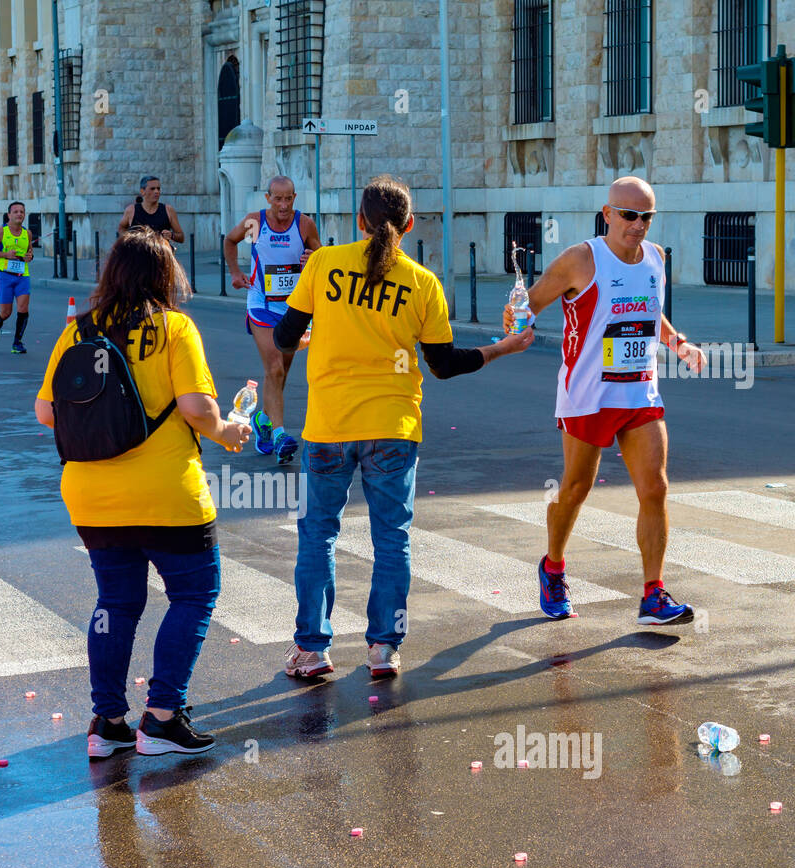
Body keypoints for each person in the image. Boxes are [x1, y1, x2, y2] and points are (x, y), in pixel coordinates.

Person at [276, 176, 534, 680]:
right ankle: (382, 650)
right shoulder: (423, 282)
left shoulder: (325, 263)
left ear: (358, 221)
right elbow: (441, 363)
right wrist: (501, 347)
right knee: (391, 538)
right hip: (394, 428)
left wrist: (318, 336)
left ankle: (311, 649)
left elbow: (285, 337)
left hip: (328, 426)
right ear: (410, 225)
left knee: (318, 535)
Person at [35, 227, 249, 758]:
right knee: (194, 595)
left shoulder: (79, 330)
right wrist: (229, 432)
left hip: (91, 494)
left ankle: (107, 722)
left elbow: (46, 412)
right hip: (165, 493)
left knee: (116, 602)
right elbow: (198, 409)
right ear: (164, 276)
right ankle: (161, 718)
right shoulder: (174, 327)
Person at [504, 175, 702, 626]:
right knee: (575, 489)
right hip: (587, 396)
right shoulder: (580, 259)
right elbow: (527, 306)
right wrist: (516, 315)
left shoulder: (655, 258)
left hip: (639, 392)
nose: (638, 225)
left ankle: (653, 595)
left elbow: (652, 312)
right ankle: (553, 566)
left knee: (656, 487)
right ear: (608, 213)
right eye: (629, 215)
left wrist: (679, 344)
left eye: (646, 216)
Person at [224, 176, 321, 464]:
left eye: (288, 198)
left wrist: (311, 258)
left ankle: (263, 420)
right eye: (277, 199)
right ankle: (280, 436)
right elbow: (230, 240)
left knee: (281, 372)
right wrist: (234, 273)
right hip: (261, 304)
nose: (283, 205)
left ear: (294, 197)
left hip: (295, 307)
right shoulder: (255, 222)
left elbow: (322, 256)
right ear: (267, 198)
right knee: (275, 368)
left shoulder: (304, 224)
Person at [0, 201, 34, 354]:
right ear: (9, 215)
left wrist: (29, 257)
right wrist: (6, 255)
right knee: (6, 312)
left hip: (22, 276)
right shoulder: (1, 232)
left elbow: (30, 252)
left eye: (22, 212)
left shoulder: (28, 233)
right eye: (16, 211)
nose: (19, 214)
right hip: (5, 275)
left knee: (23, 308)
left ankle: (17, 342)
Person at [116, 176, 184, 245]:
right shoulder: (131, 210)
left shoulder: (168, 210)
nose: (156, 191)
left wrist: (171, 235)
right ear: (142, 191)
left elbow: (181, 237)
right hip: (136, 254)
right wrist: (129, 238)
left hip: (161, 254)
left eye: (158, 188)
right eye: (152, 189)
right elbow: (121, 228)